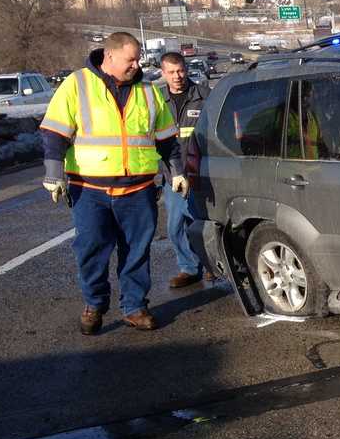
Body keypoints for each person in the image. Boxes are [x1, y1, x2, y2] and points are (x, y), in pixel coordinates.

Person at [39, 32, 185, 335]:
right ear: (110, 55)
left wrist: (177, 172)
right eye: (130, 59)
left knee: (136, 251)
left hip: (138, 190)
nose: (137, 64)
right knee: (91, 250)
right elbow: (54, 132)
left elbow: (167, 140)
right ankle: (95, 304)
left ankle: (134, 307)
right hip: (90, 191)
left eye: (138, 58)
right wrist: (54, 173)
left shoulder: (149, 91)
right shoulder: (77, 85)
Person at [157, 51, 213, 288]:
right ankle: (189, 268)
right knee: (176, 225)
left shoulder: (204, 95)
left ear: (186, 70)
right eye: (171, 72)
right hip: (172, 174)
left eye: (180, 70)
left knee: (204, 222)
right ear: (163, 73)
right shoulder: (158, 99)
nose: (177, 76)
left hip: (200, 171)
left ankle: (211, 265)